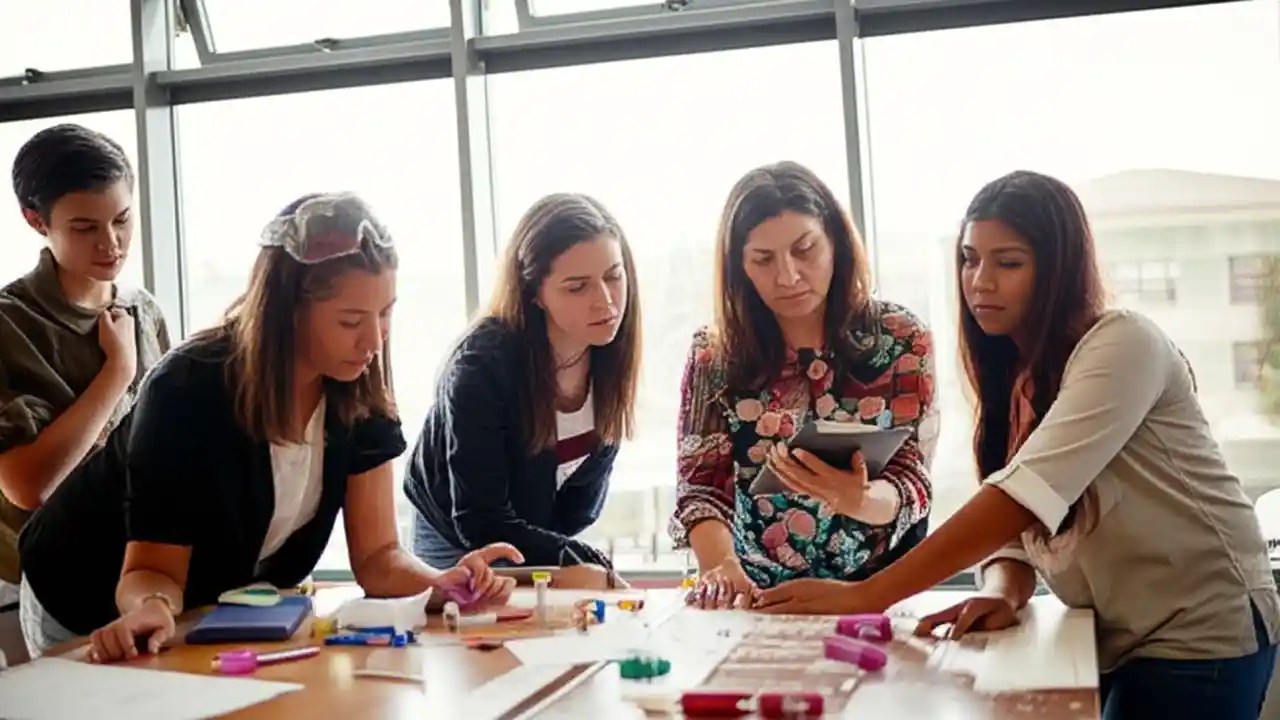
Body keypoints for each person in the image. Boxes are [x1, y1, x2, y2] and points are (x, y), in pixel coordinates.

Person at [755, 170, 1280, 720]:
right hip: (1123, 637)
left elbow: (1021, 497)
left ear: (1057, 270)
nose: (980, 280)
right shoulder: (1017, 378)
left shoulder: (1125, 343)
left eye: (1008, 262)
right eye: (968, 258)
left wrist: (869, 594)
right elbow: (1016, 538)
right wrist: (1003, 592)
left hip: (1203, 632)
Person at [18, 192, 519, 661]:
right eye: (350, 321)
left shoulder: (358, 391)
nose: (373, 340)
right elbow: (152, 570)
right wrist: (152, 606)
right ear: (286, 313)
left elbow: (379, 555)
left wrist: (440, 583)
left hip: (203, 610)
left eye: (384, 313)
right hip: (84, 592)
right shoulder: (189, 387)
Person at [673, 161, 936, 610]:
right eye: (763, 260)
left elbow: (912, 480)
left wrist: (859, 497)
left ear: (835, 241)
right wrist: (720, 566)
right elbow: (701, 487)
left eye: (805, 249)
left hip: (873, 592)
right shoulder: (713, 354)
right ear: (739, 267)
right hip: (754, 595)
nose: (788, 276)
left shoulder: (899, 336)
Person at [404, 193, 641, 588]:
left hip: (530, 527)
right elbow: (481, 520)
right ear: (535, 293)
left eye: (613, 276)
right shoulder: (481, 367)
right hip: (455, 530)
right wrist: (581, 562)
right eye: (577, 287)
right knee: (473, 637)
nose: (605, 301)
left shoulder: (610, 350)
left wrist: (567, 560)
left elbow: (578, 506)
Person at [0, 124, 169, 650]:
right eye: (84, 227)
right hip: (50, 580)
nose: (111, 242)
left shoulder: (144, 311)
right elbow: (28, 485)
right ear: (36, 220)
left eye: (122, 219)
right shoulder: (10, 325)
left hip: (140, 578)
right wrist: (116, 373)